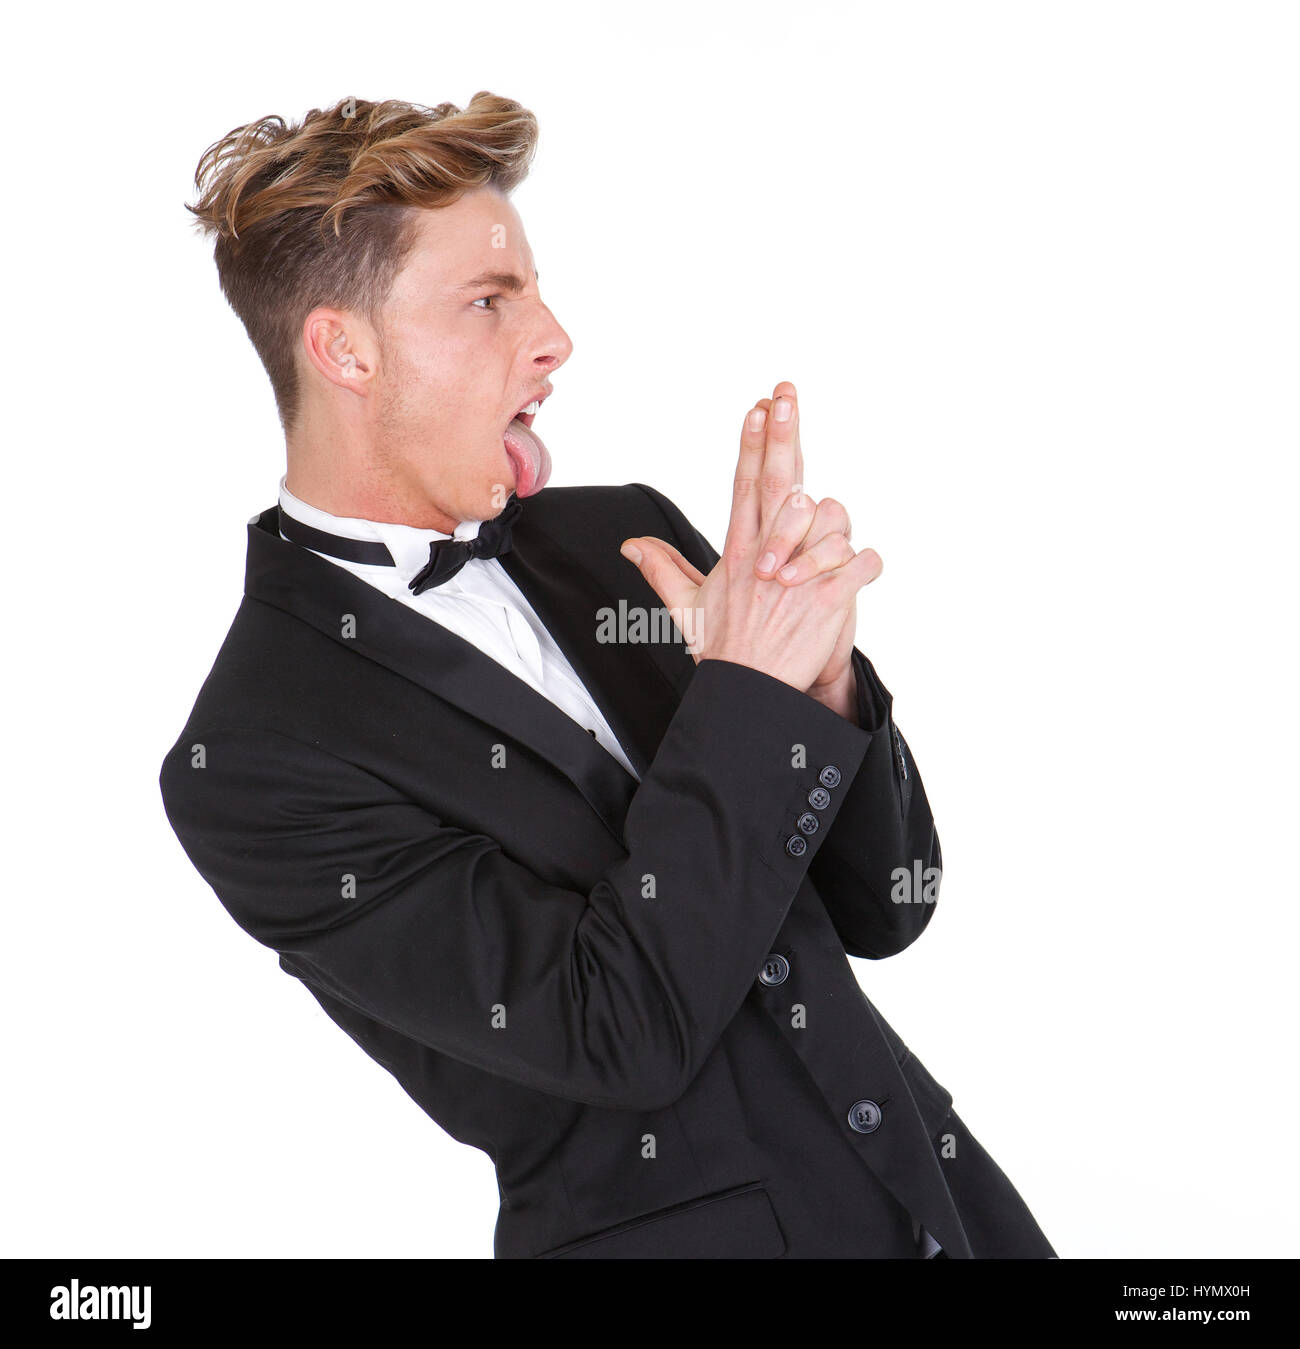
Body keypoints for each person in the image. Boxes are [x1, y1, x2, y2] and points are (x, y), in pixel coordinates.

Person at [159, 92, 1056, 1259]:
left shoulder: (616, 537)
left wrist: (821, 689)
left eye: (531, 289)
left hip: (947, 1209)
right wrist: (745, 695)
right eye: (489, 302)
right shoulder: (253, 759)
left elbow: (891, 906)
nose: (553, 338)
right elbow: (615, 1032)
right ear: (344, 350)